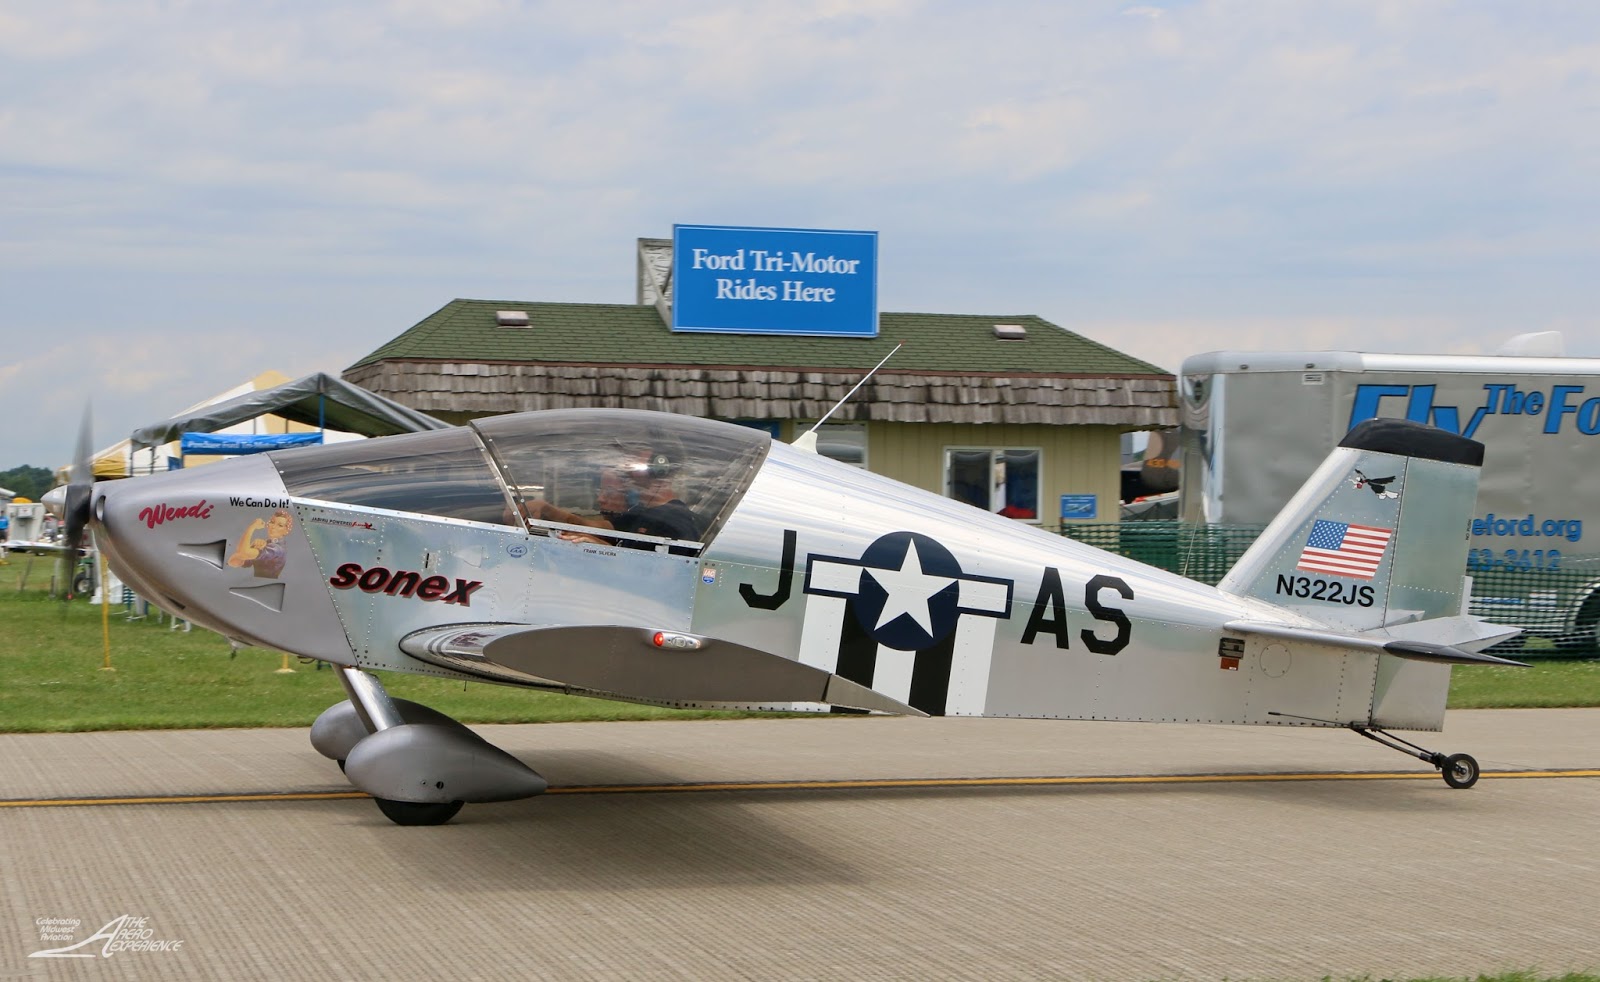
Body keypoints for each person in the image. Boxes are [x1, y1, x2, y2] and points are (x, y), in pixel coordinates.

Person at [519, 447, 700, 546]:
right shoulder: (640, 513)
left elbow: (661, 578)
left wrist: (601, 547)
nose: (629, 462)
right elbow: (594, 527)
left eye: (638, 455)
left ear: (660, 466)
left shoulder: (676, 520)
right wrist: (546, 509)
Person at [227, 509, 294, 578]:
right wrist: (252, 546)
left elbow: (243, 553)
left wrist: (252, 527)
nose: (273, 527)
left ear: (286, 530)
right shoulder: (266, 544)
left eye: (280, 525)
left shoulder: (277, 549)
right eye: (272, 522)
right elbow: (233, 562)